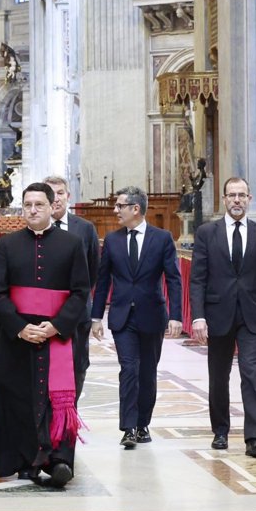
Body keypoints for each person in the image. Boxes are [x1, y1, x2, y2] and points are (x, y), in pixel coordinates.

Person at [0, 182, 90, 489]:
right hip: (18, 335)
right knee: (19, 396)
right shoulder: (8, 244)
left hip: (57, 335)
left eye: (39, 205)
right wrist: (20, 327)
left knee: (57, 398)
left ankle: (59, 460)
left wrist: (57, 325)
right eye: (28, 205)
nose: (32, 210)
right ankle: (25, 460)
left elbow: (80, 291)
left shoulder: (71, 243)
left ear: (51, 207)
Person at [190, 177, 256, 458]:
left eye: (242, 195)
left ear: (249, 199)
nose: (237, 200)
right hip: (218, 314)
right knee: (219, 376)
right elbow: (198, 279)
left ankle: (254, 438)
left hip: (252, 316)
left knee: (251, 374)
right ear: (224, 199)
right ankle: (220, 431)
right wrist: (198, 317)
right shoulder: (207, 233)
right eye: (232, 195)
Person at [91, 185, 183, 449]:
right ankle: (128, 427)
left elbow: (174, 279)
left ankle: (143, 424)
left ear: (136, 208)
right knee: (129, 368)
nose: (115, 210)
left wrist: (176, 316)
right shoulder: (112, 240)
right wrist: (96, 317)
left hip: (152, 315)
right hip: (122, 317)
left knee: (147, 372)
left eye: (120, 205)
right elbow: (103, 280)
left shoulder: (162, 238)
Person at [44, 175, 100, 408]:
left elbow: (93, 269)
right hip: (45, 311)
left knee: (78, 363)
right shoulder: (37, 227)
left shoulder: (85, 228)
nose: (56, 199)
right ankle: (48, 414)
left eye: (60, 193)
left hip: (78, 311)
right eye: (51, 194)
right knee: (46, 364)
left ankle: (71, 411)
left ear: (68, 196)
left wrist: (81, 300)